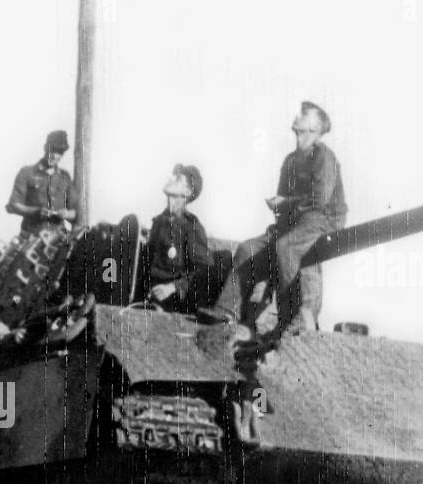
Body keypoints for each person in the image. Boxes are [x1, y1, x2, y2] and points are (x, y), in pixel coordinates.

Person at [201, 101, 347, 335]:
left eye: (302, 125)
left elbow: (319, 200)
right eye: (296, 129)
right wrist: (280, 205)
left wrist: (285, 203)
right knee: (249, 248)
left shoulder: (324, 158)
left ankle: (298, 315)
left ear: (315, 131)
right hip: (294, 221)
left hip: (324, 219)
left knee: (286, 248)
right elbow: (284, 201)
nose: (297, 128)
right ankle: (228, 310)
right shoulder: (290, 160)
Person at [143, 163, 217, 312]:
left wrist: (173, 287)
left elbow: (204, 270)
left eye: (176, 197)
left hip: (172, 302)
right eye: (169, 196)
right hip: (147, 293)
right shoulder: (158, 222)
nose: (171, 201)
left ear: (187, 194)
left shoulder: (191, 228)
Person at [6, 130, 79, 235]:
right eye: (52, 150)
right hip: (31, 237)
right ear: (45, 148)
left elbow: (75, 211)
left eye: (59, 152)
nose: (54, 155)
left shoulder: (65, 177)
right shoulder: (27, 172)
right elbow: (14, 204)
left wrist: (66, 214)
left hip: (58, 238)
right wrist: (36, 211)